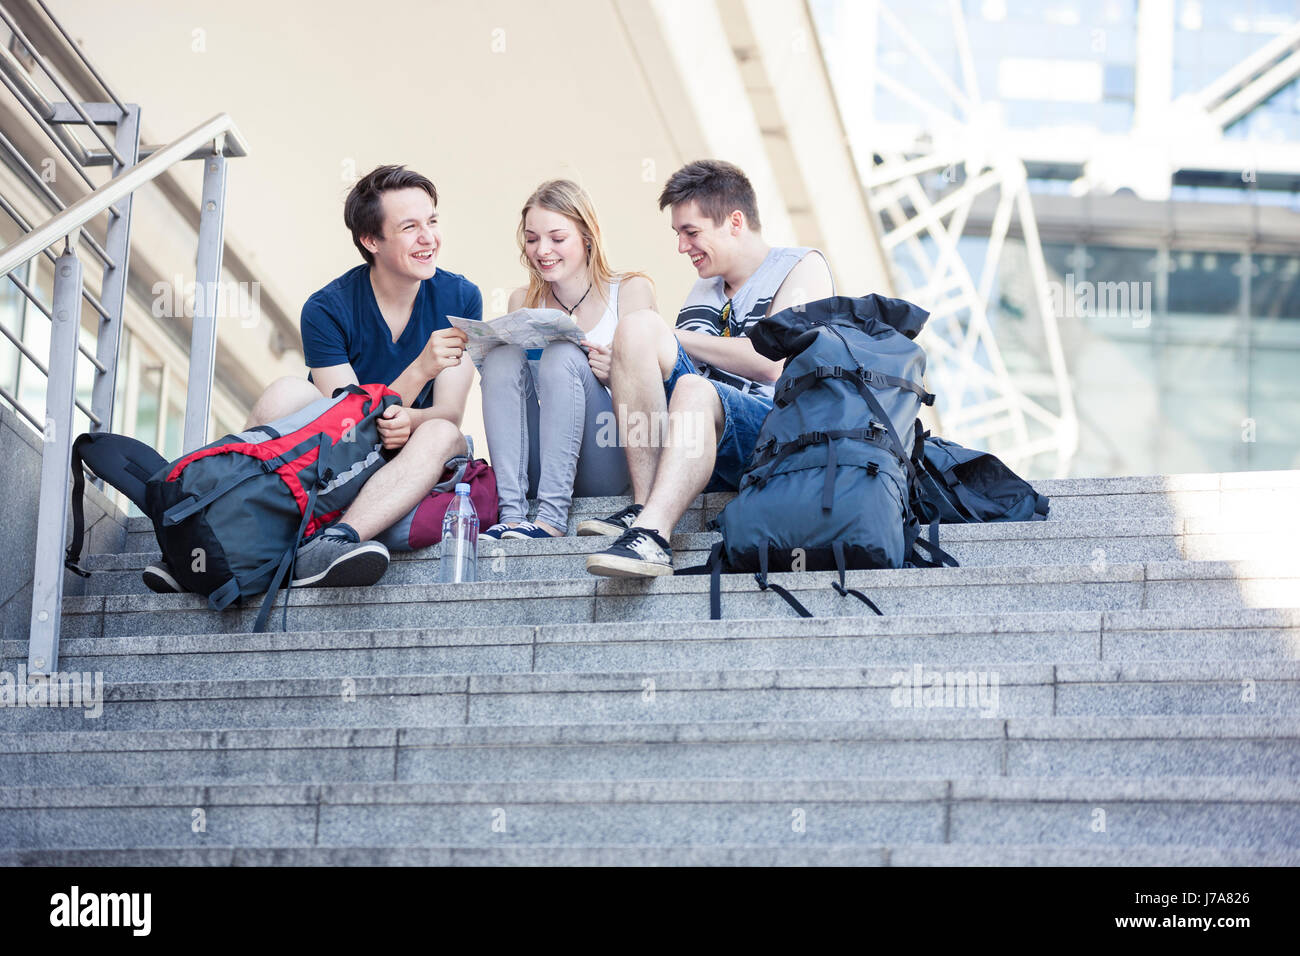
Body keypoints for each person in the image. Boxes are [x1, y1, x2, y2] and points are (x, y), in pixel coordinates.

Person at [142, 164, 479, 593]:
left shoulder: (460, 297)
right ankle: (218, 518)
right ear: (371, 240)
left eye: (431, 221)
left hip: (409, 453)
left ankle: (332, 543)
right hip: (332, 456)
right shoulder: (326, 308)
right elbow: (346, 426)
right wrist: (419, 370)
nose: (429, 238)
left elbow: (448, 411)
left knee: (442, 433)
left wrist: (409, 422)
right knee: (288, 390)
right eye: (410, 227)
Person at [583, 159, 835, 577]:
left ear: (735, 222)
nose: (682, 247)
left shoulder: (801, 267)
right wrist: (628, 366)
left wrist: (675, 336)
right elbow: (679, 359)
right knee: (636, 328)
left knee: (691, 385)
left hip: (774, 437)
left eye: (691, 232)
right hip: (701, 431)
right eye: (679, 234)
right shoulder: (706, 285)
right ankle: (643, 507)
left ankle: (653, 536)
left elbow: (772, 363)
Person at [478, 179, 655, 539]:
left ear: (587, 237)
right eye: (531, 239)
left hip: (607, 454)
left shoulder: (632, 290)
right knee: (500, 358)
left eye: (557, 239)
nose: (542, 250)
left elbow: (655, 393)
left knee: (561, 354)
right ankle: (512, 514)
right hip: (544, 461)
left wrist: (616, 375)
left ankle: (551, 521)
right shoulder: (522, 300)